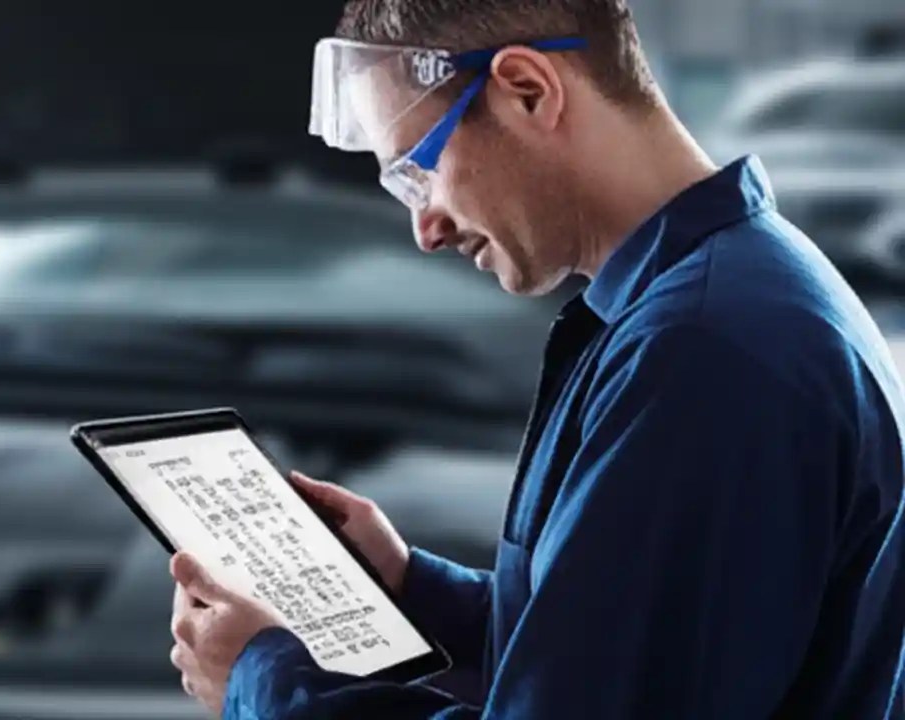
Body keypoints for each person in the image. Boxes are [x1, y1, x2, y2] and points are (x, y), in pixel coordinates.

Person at [167, 0, 905, 717]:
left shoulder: (702, 351)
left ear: (527, 90)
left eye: (422, 168)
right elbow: (628, 649)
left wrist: (262, 680)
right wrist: (409, 587)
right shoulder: (728, 292)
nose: (425, 228)